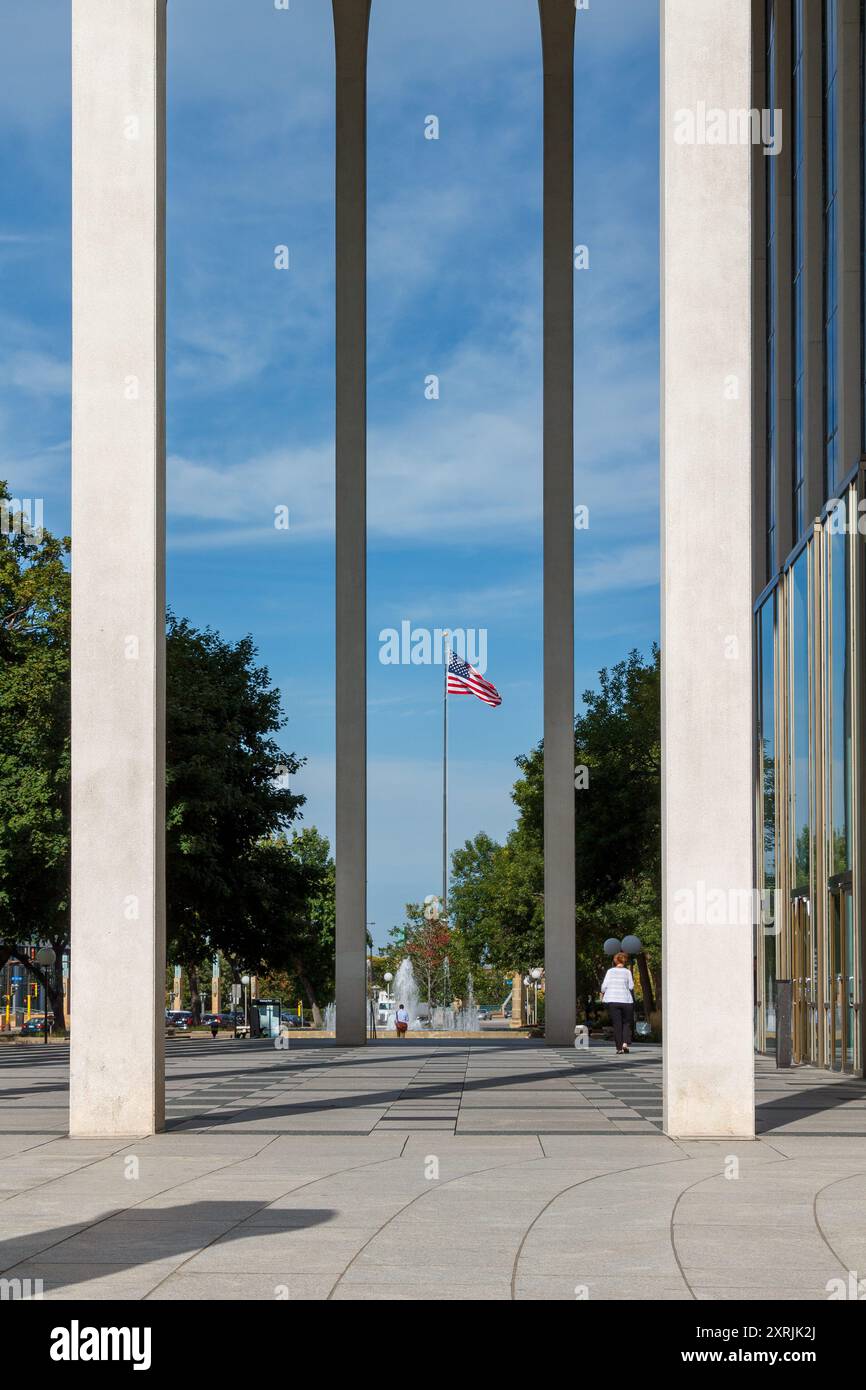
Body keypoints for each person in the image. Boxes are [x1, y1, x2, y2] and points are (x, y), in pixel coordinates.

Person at [601, 951, 635, 1054]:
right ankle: (625, 1043)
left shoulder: (610, 971)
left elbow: (604, 986)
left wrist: (602, 992)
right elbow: (631, 986)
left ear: (615, 960)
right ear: (625, 960)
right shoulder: (627, 972)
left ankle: (619, 1048)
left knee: (617, 1024)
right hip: (626, 1001)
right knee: (626, 1023)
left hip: (613, 1001)